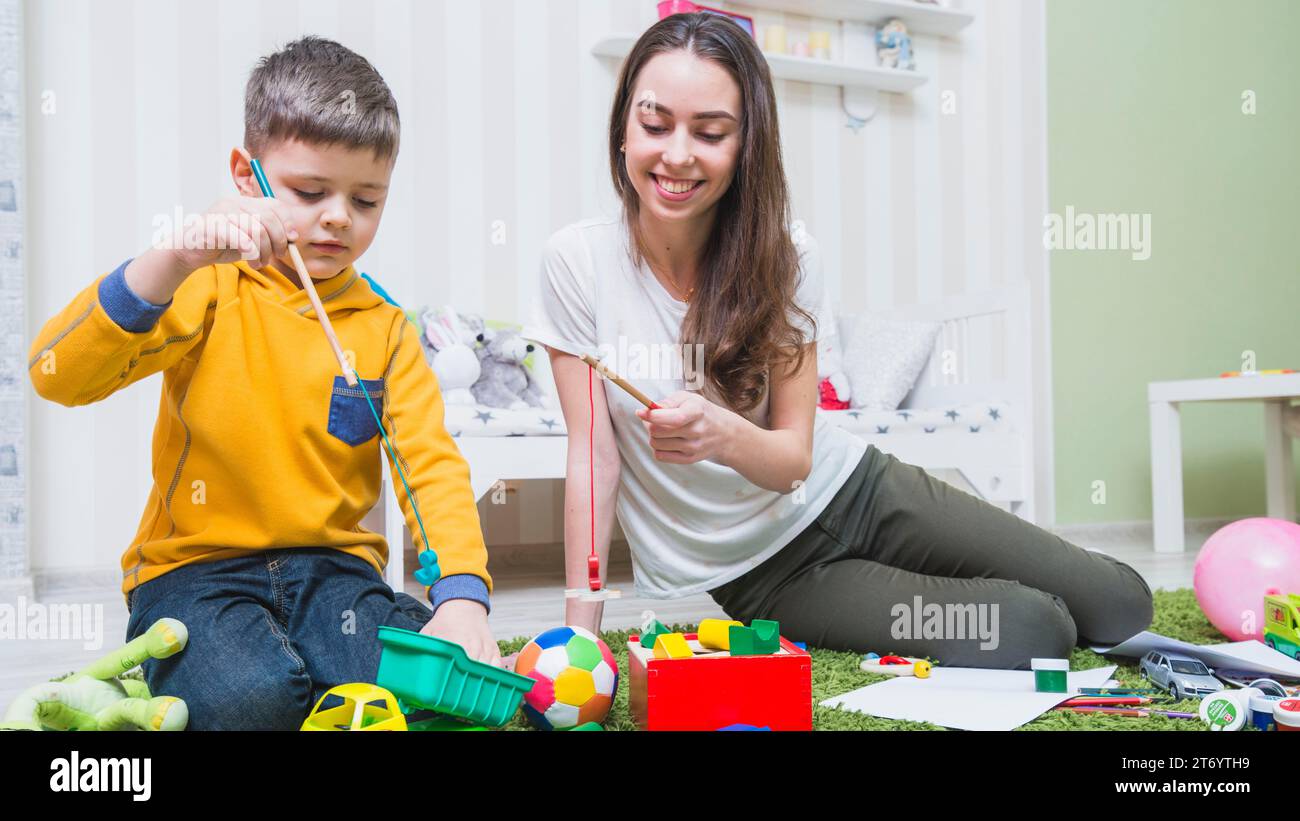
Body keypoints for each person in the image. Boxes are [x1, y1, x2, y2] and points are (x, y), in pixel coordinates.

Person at [522, 13, 1152, 669]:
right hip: (770, 576)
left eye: (709, 133)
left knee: (1116, 602)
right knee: (1032, 628)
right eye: (655, 125)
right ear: (623, 127)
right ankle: (1030, 604)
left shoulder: (787, 256)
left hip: (858, 491)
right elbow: (593, 457)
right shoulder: (577, 263)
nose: (677, 154)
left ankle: (1084, 588)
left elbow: (794, 457)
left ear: (744, 147)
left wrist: (719, 433)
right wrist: (581, 635)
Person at [27, 36, 500, 730]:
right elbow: (57, 374)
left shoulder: (387, 328)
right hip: (196, 573)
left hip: (334, 576)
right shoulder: (206, 287)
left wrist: (462, 596)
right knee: (258, 697)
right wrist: (177, 256)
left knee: (423, 681)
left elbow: (432, 469)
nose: (339, 215)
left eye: (366, 199)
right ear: (246, 177)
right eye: (310, 192)